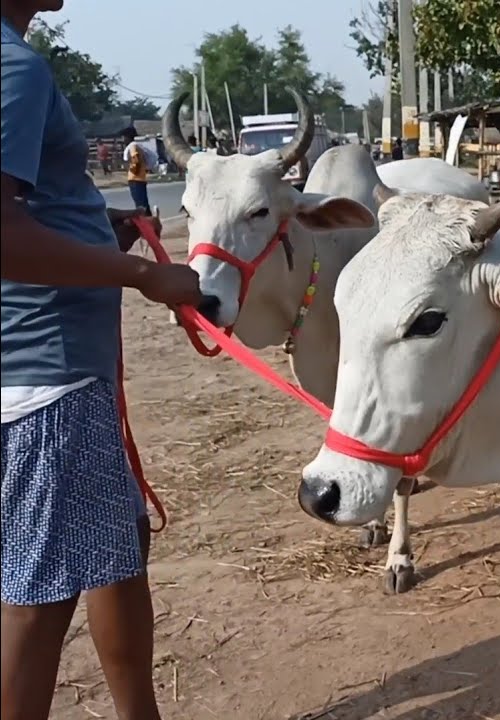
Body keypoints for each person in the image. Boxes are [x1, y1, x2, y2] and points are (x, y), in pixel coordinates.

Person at [1, 2, 204, 719]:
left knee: (118, 546)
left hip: (44, 368)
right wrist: (144, 276)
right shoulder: (13, 68)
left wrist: (93, 232)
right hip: (46, 372)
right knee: (39, 597)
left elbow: (30, 211)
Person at [121, 126, 155, 215]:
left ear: (128, 137)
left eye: (123, 137)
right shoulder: (137, 146)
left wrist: (133, 171)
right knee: (143, 203)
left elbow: (135, 160)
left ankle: (146, 224)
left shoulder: (133, 146)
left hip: (135, 179)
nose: (123, 139)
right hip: (140, 178)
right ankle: (149, 222)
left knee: (141, 205)